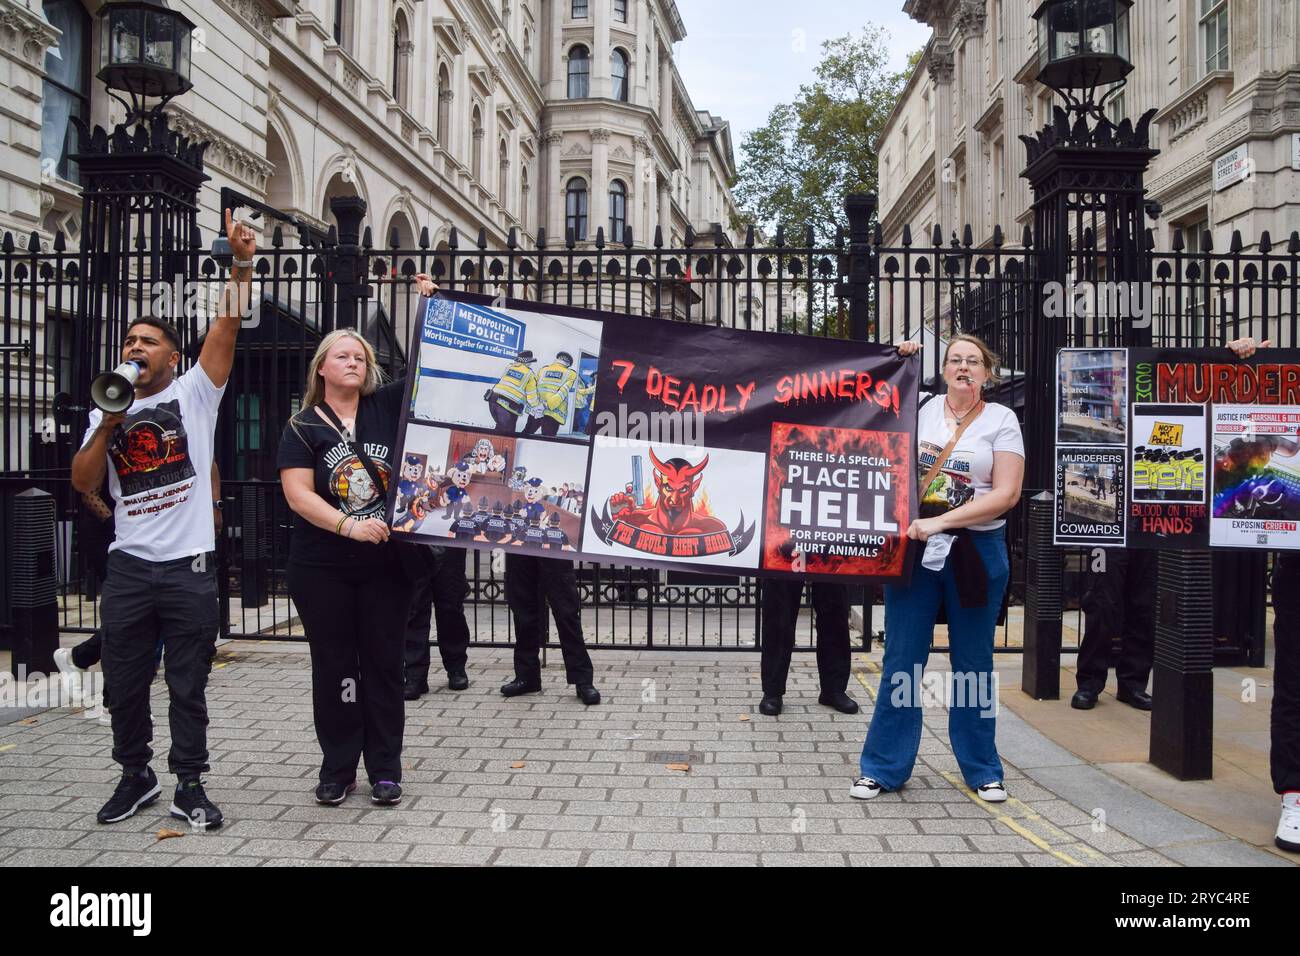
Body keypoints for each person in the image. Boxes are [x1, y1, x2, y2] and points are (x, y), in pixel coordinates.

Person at [70, 209, 255, 829]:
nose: (134, 349)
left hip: (188, 568)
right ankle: (135, 775)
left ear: (174, 357)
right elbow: (83, 480)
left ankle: (191, 784)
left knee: (186, 684)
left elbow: (227, 326)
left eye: (147, 342)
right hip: (129, 566)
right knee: (122, 683)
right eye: (128, 342)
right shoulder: (107, 410)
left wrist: (241, 263)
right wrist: (110, 423)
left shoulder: (195, 392)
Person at [853, 333, 1024, 803]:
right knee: (902, 659)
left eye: (973, 361)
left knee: (973, 663)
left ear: (987, 372)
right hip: (916, 552)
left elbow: (1006, 494)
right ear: (943, 369)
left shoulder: (1003, 421)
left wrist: (940, 522)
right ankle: (883, 768)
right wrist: (896, 356)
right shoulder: (921, 406)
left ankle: (983, 769)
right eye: (955, 360)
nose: (964, 367)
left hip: (976, 551)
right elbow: (864, 404)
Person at [278, 327, 417, 807]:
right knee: (336, 667)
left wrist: (431, 306)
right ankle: (337, 768)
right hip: (323, 567)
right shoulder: (303, 426)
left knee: (382, 665)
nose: (354, 362)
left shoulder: (384, 406)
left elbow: (427, 362)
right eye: (343, 356)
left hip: (385, 567)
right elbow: (297, 494)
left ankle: (385, 769)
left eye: (360, 356)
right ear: (322, 368)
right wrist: (348, 526)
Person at [56, 463, 223, 713]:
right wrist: (133, 523)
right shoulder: (104, 432)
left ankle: (80, 658)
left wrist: (213, 505)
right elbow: (88, 491)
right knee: (134, 617)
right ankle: (112, 700)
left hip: (155, 535)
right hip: (114, 534)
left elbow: (206, 462)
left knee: (148, 615)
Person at [1221, 336, 1298, 854]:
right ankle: (1295, 797)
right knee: (1294, 678)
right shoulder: (1287, 376)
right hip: (1299, 553)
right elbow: (1234, 422)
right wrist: (1243, 362)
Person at [502, 553, 601, 705]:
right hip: (519, 541)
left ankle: (582, 679)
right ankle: (527, 676)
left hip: (553, 541)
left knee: (566, 611)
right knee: (523, 612)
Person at [757, 579, 857, 716]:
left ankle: (834, 689)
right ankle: (772, 691)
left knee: (835, 609)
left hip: (828, 558)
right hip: (783, 559)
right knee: (778, 615)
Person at [403, 546, 472, 699]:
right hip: (416, 540)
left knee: (451, 607)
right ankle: (415, 675)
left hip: (449, 537)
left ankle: (456, 667)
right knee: (415, 610)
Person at [524, 351, 594, 437]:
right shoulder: (571, 373)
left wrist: (536, 405)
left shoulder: (543, 369)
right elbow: (562, 393)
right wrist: (546, 405)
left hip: (535, 410)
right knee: (548, 440)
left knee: (525, 434)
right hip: (553, 413)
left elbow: (533, 388)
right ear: (568, 364)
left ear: (556, 359)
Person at [486, 350, 539, 433]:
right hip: (507, 406)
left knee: (500, 430)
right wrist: (538, 407)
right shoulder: (530, 374)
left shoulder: (509, 367)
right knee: (507, 435)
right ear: (528, 362)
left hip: (492, 401)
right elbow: (532, 399)